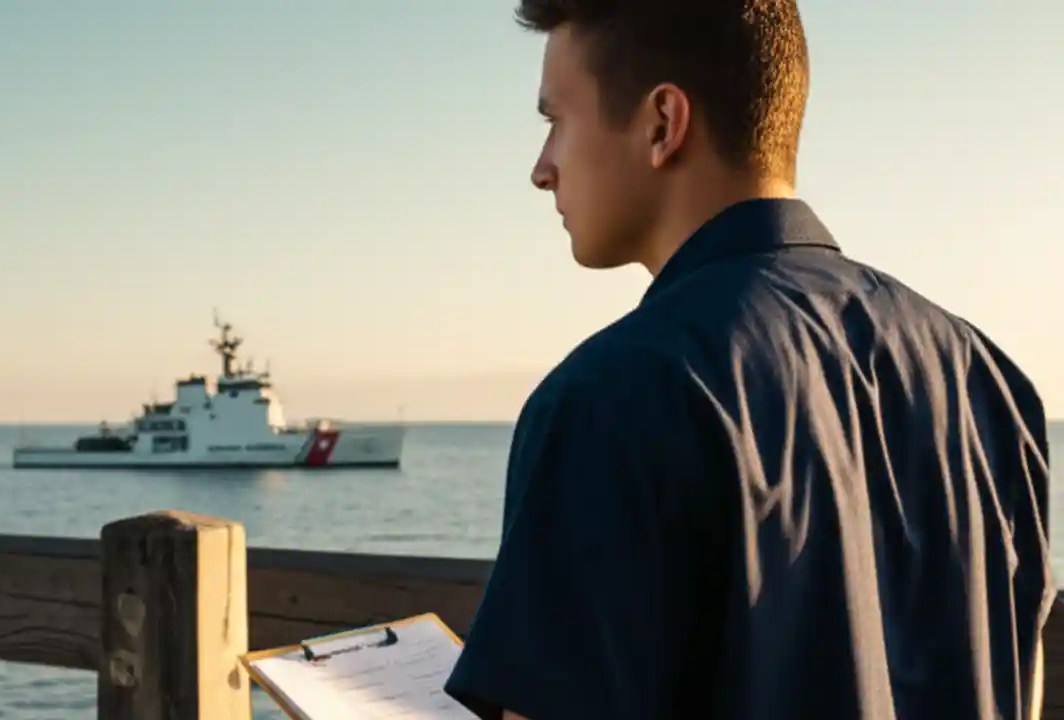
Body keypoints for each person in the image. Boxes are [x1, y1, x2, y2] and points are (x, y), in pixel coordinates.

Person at [442, 1, 1055, 719]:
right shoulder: (989, 378)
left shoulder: (615, 395)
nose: (542, 169)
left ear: (662, 124)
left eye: (556, 121)